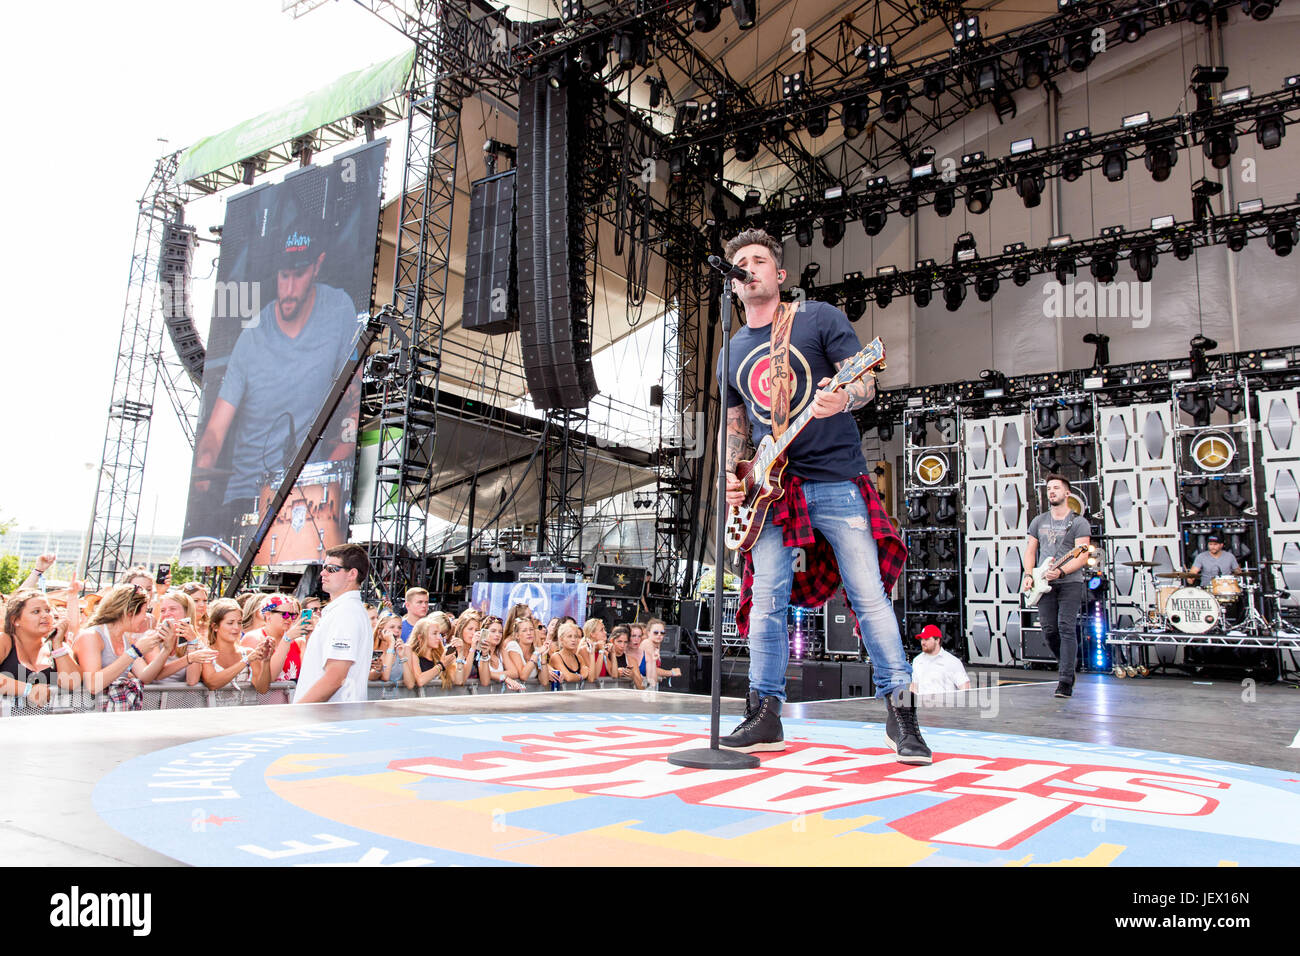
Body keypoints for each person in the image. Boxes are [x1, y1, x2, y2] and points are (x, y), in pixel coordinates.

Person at [716, 228, 923, 761]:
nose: (750, 268)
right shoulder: (733, 348)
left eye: (760, 260)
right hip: (770, 493)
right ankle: (764, 713)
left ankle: (902, 715)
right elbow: (736, 425)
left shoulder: (818, 318)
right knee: (766, 604)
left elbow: (865, 381)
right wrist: (732, 475)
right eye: (742, 264)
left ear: (779, 276)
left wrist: (845, 397)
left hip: (835, 476)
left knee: (868, 596)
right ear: (735, 284)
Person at [192, 219, 363, 530]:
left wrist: (333, 471)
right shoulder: (252, 336)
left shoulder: (338, 308)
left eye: (298, 275)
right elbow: (216, 430)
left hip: (306, 497)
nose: (288, 288)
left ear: (317, 267)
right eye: (284, 276)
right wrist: (202, 488)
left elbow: (355, 398)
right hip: (244, 498)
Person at [1022, 473, 1092, 699]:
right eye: (1049, 488)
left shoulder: (1078, 522)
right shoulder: (1039, 521)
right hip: (1044, 582)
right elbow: (1031, 551)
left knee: (1066, 627)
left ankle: (1064, 681)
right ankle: (1067, 664)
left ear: (1067, 493)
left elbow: (1081, 556)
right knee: (1049, 630)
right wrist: (1029, 575)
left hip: (1069, 582)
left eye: (1056, 488)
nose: (1051, 491)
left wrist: (1061, 570)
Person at [292, 545, 374, 704]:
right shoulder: (344, 610)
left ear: (352, 574)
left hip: (326, 721)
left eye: (332, 569)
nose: (323, 573)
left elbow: (335, 677)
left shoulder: (346, 613)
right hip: (328, 719)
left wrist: (297, 711)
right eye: (324, 568)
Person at [73, 584, 168, 710]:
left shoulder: (125, 639)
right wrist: (134, 652)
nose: (146, 617)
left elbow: (145, 676)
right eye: (145, 612)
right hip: (86, 714)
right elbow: (93, 684)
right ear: (129, 613)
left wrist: (166, 649)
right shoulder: (91, 636)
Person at [2, 590, 82, 708]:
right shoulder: (5, 640)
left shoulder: (59, 647)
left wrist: (58, 644)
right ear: (15, 620)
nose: (45, 615)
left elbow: (72, 683)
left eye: (48, 610)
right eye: (36, 612)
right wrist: (28, 690)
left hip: (45, 722)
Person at [194, 598, 274, 692]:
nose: (236, 627)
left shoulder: (248, 652)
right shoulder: (205, 653)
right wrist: (245, 661)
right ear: (215, 627)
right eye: (230, 623)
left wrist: (266, 661)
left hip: (244, 706)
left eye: (239, 623)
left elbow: (262, 689)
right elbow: (212, 683)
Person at [248, 594, 308, 690]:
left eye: (293, 615)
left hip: (291, 701)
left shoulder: (299, 642)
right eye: (285, 614)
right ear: (268, 615)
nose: (289, 619)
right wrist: (286, 639)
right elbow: (270, 677)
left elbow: (308, 674)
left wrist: (312, 634)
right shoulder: (254, 638)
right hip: (265, 701)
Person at [909, 624, 970, 701]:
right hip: (923, 710)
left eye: (927, 639)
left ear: (937, 640)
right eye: (921, 639)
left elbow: (965, 687)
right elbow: (914, 686)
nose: (923, 642)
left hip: (945, 709)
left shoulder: (952, 662)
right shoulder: (917, 661)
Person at [403, 613, 457, 690]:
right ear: (420, 637)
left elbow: (457, 680)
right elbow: (420, 680)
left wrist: (458, 657)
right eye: (435, 634)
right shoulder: (413, 654)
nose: (439, 638)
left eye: (440, 634)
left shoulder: (441, 654)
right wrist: (441, 666)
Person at [476, 616, 525, 691]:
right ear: (484, 633)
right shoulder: (478, 652)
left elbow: (514, 672)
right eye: (493, 631)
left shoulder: (501, 651)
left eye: (500, 632)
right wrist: (504, 677)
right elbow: (485, 677)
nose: (497, 635)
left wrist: (497, 675)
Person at [639, 618, 682, 686]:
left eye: (662, 633)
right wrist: (671, 673)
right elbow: (649, 668)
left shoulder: (656, 644)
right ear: (648, 633)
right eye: (656, 632)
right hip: (640, 685)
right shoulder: (648, 643)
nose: (659, 635)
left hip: (647, 684)